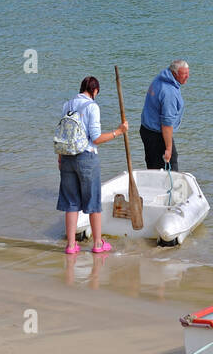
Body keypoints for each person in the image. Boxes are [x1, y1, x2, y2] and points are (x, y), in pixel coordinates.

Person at [57, 75, 128, 256]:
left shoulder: (67, 105)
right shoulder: (92, 107)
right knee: (93, 202)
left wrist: (60, 158)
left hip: (66, 157)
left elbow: (63, 133)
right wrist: (118, 132)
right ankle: (98, 243)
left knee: (71, 203)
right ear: (95, 91)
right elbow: (95, 138)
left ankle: (71, 245)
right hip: (86, 158)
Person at [140, 60, 189, 170]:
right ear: (175, 74)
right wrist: (168, 148)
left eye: (188, 73)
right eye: (184, 74)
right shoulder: (169, 93)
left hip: (146, 129)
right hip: (157, 135)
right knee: (171, 164)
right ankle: (169, 187)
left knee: (153, 165)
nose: (187, 77)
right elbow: (166, 124)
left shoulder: (160, 78)